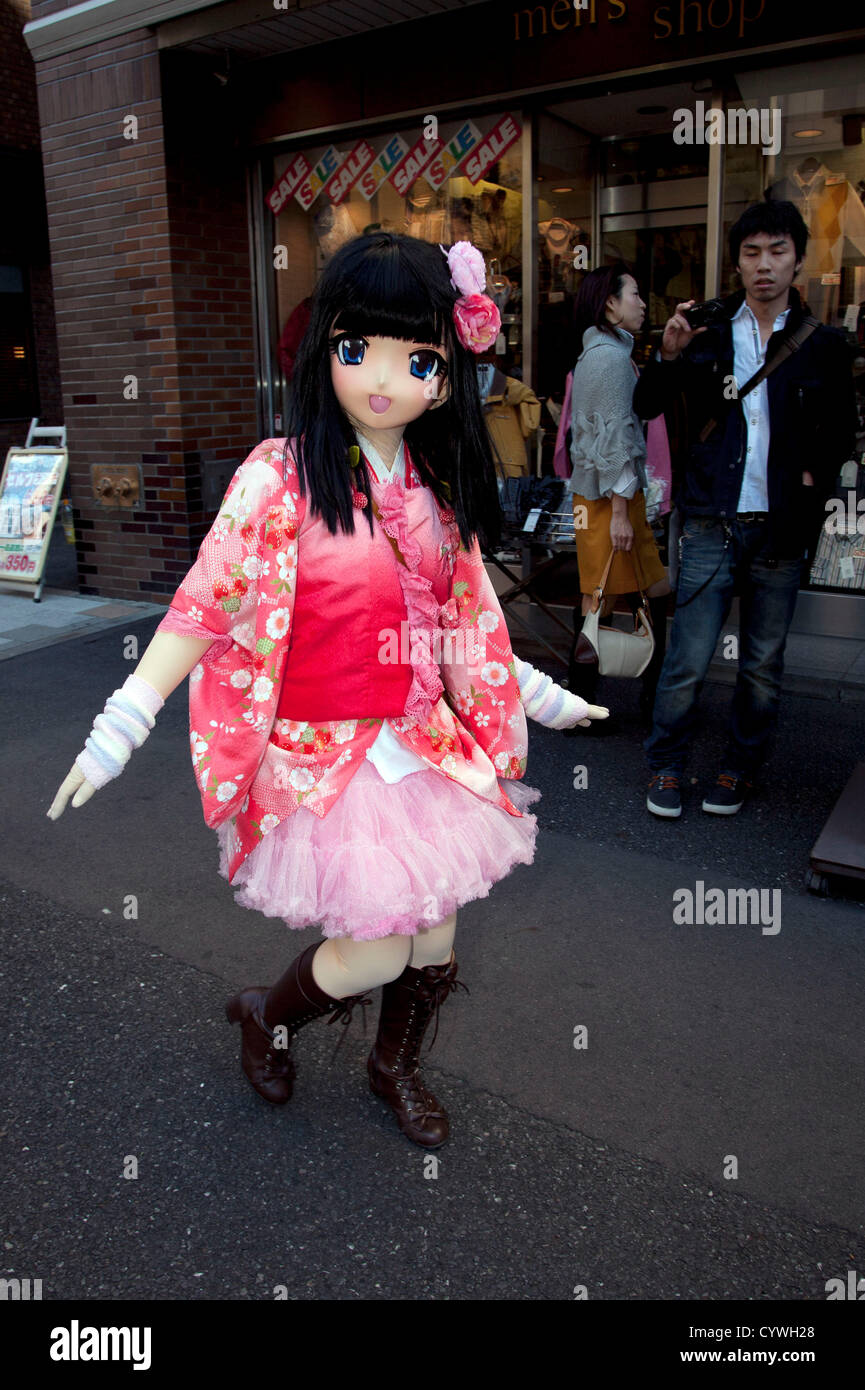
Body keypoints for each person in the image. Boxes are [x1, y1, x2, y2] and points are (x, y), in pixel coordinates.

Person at [47, 233, 608, 1150]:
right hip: (327, 753)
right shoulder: (277, 475)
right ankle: (266, 1015)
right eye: (359, 350)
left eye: (417, 358)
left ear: (444, 372)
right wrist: (122, 721)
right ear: (328, 351)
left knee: (434, 940)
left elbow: (468, 617)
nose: (384, 379)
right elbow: (207, 605)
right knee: (380, 944)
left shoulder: (431, 485)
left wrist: (541, 695)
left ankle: (394, 1066)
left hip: (422, 746)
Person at [636, 200, 857, 818]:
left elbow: (843, 429)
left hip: (782, 527)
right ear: (736, 261)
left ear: (797, 260)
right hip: (711, 522)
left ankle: (738, 770)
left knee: (761, 665)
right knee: (688, 658)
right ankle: (666, 765)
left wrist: (810, 479)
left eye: (777, 251)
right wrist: (670, 355)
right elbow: (645, 404)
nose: (764, 265)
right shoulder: (705, 331)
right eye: (752, 253)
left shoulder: (823, 345)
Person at [564, 262, 671, 732]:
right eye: (635, 294)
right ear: (610, 303)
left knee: (600, 597)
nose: (643, 303)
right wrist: (624, 513)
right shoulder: (608, 358)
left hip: (600, 499)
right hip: (611, 502)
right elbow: (614, 441)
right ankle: (650, 701)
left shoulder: (602, 353)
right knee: (629, 596)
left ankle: (583, 706)